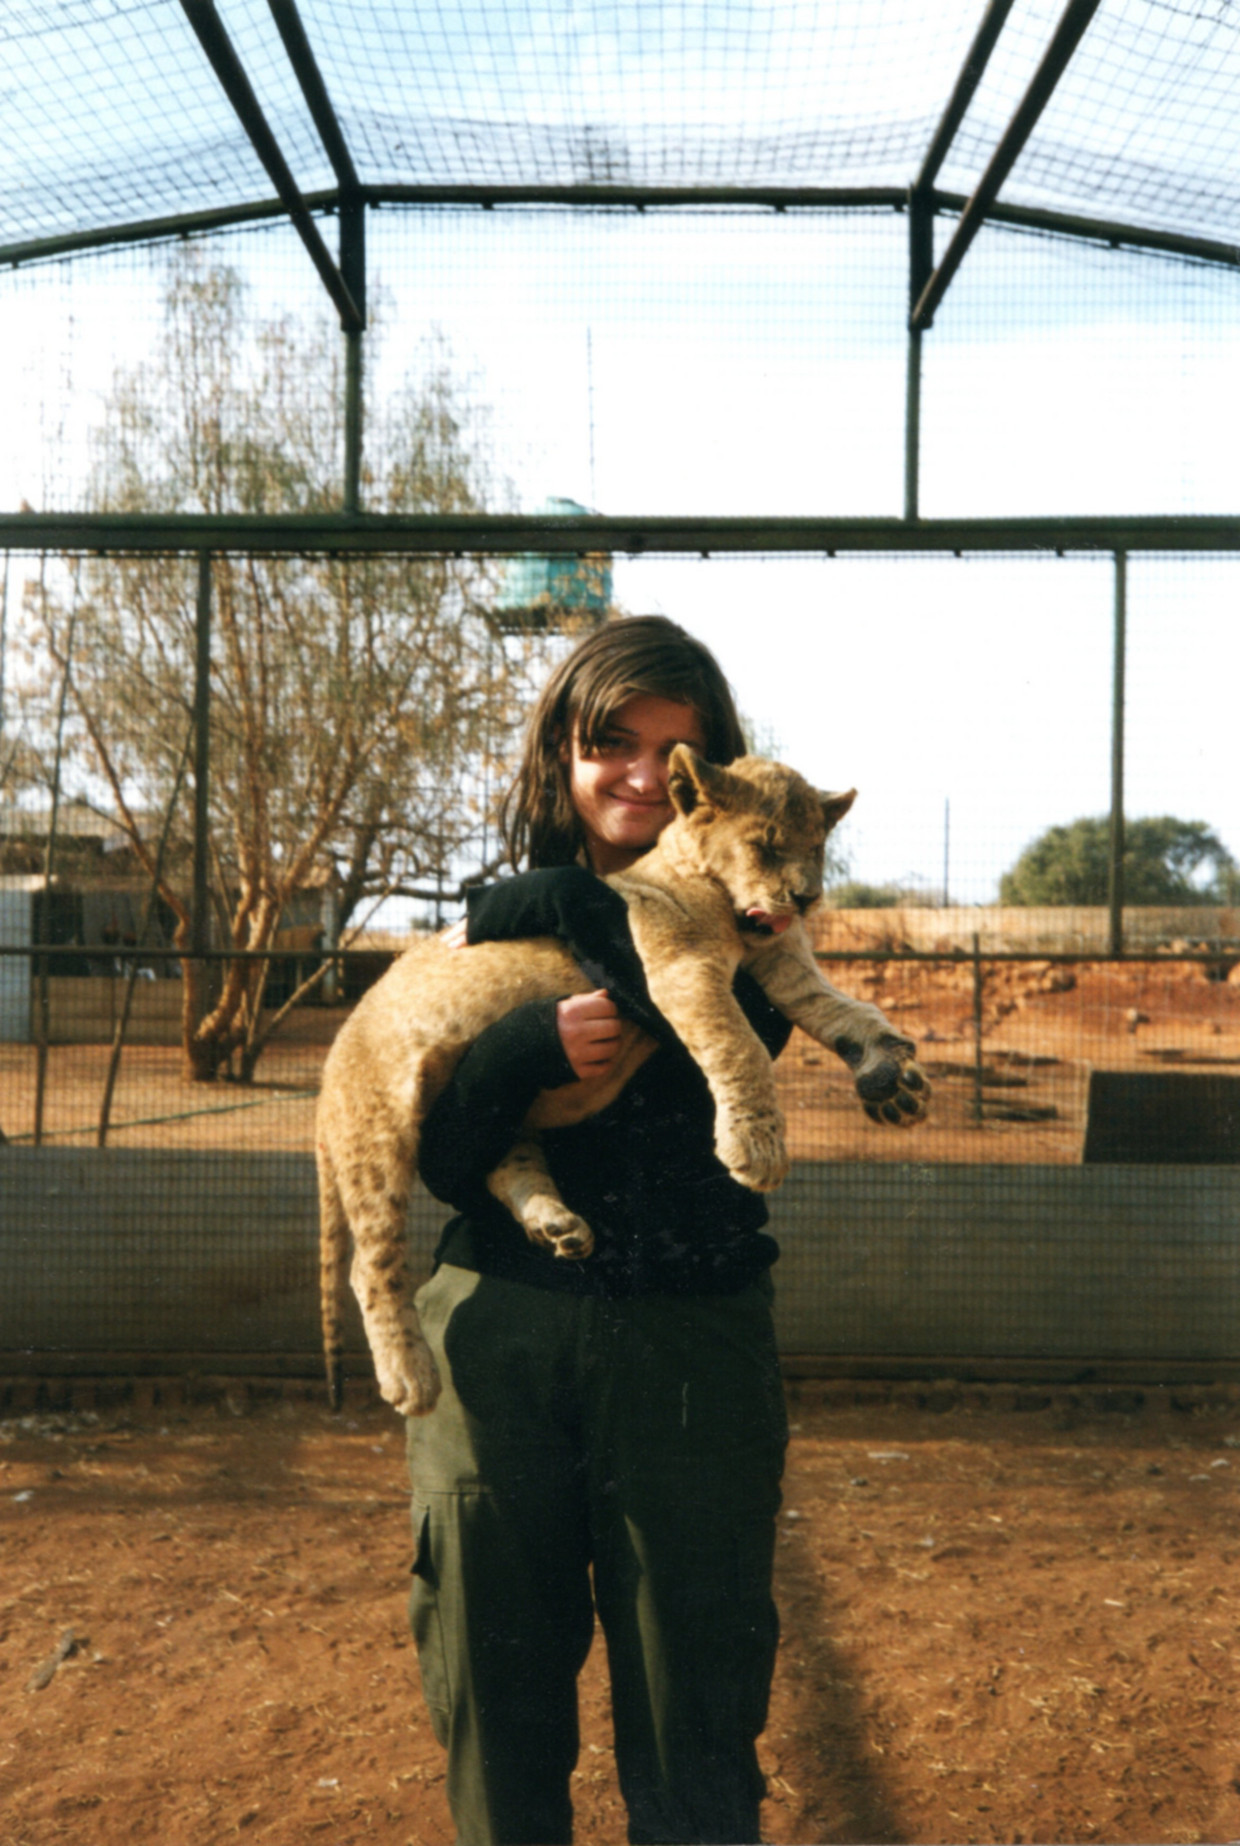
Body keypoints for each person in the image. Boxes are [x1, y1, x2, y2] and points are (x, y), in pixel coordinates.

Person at [407, 615, 793, 1846]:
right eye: (609, 744)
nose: (637, 775)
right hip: (500, 1333)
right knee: (495, 1689)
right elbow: (442, 1162)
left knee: (695, 1702)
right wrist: (517, 1048)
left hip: (690, 1339)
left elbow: (722, 1036)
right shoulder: (490, 922)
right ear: (561, 755)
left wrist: (569, 897)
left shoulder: (751, 913)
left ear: (709, 775)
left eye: (671, 753)